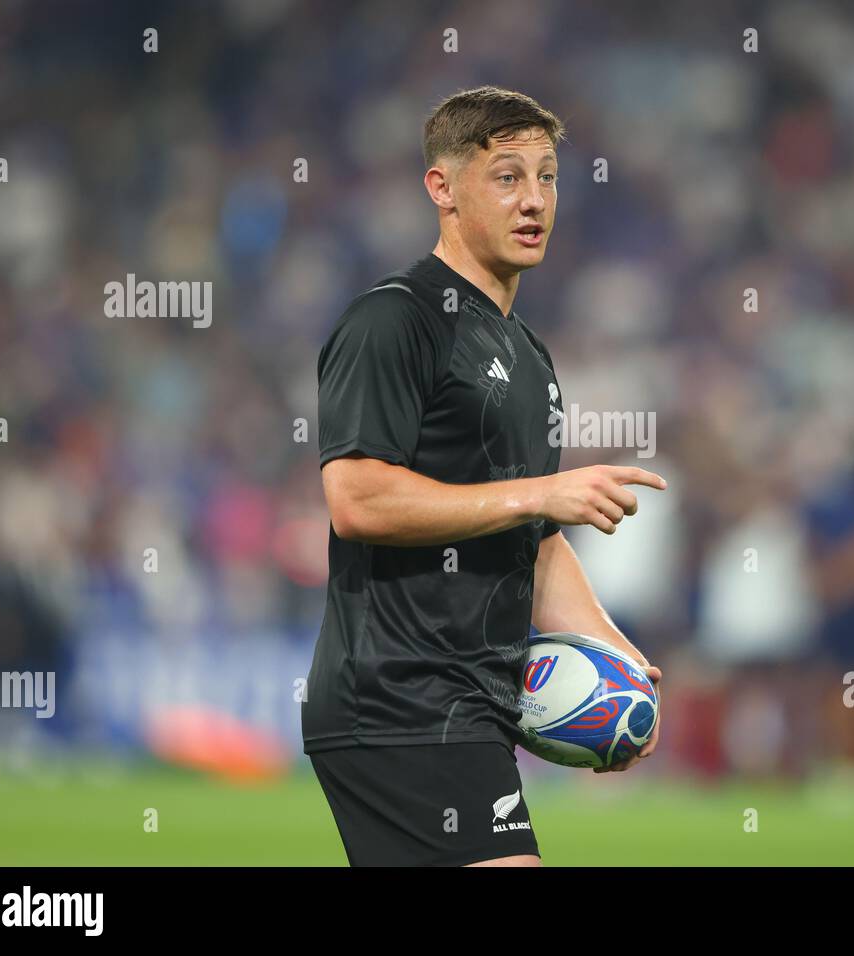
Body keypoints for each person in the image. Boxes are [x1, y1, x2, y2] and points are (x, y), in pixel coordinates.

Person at [303, 86, 665, 867]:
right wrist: (542, 494)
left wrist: (622, 664)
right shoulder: (393, 321)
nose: (535, 200)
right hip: (398, 697)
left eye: (547, 177)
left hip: (473, 703)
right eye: (507, 177)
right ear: (442, 188)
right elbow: (357, 500)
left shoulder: (530, 356)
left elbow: (535, 546)